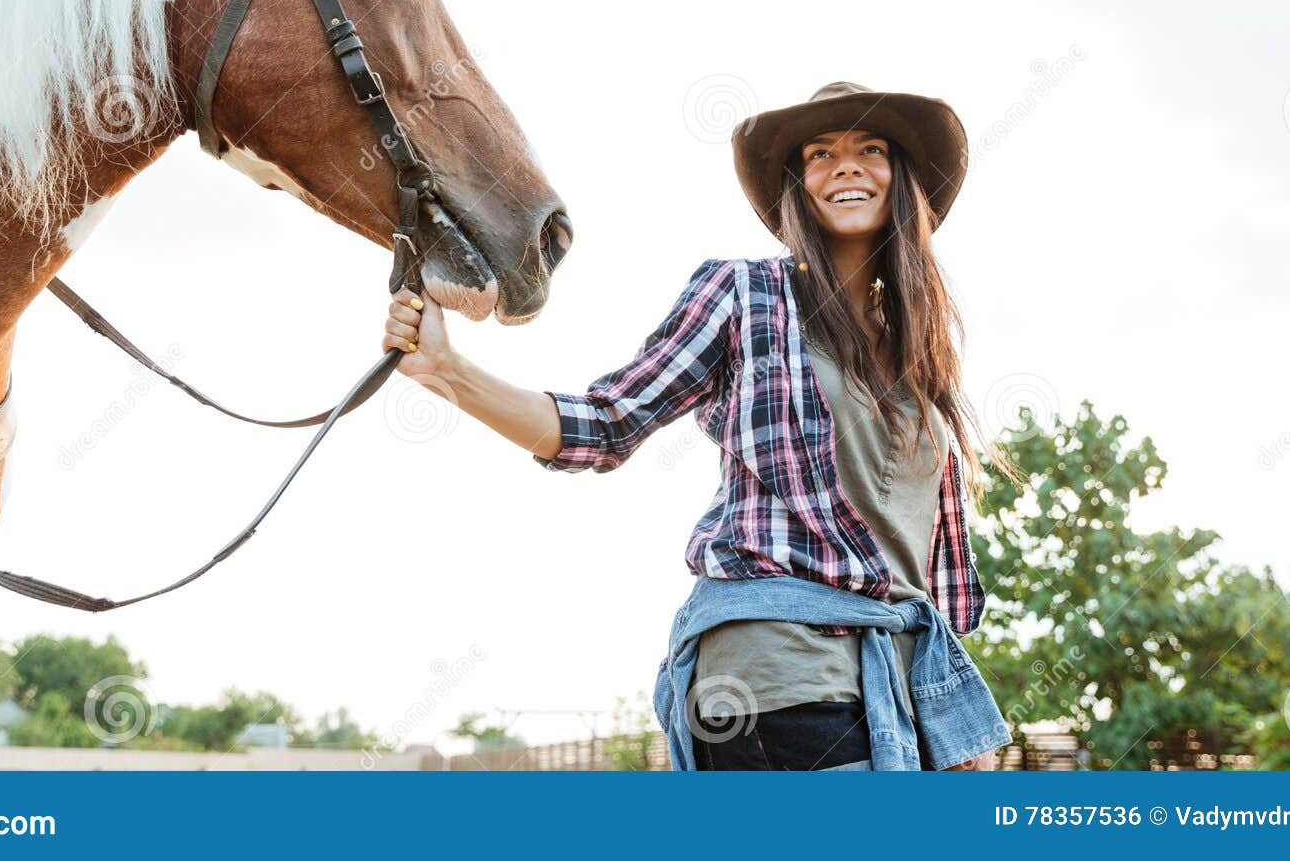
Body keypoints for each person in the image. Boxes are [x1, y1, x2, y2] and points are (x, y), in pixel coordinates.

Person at [381, 81, 1022, 770]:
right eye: (821, 152)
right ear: (797, 186)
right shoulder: (744, 294)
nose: (845, 165)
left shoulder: (920, 351)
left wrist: (949, 720)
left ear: (902, 179)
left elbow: (928, 567)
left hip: (891, 683)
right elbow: (606, 423)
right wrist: (449, 373)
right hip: (777, 667)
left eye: (871, 148)